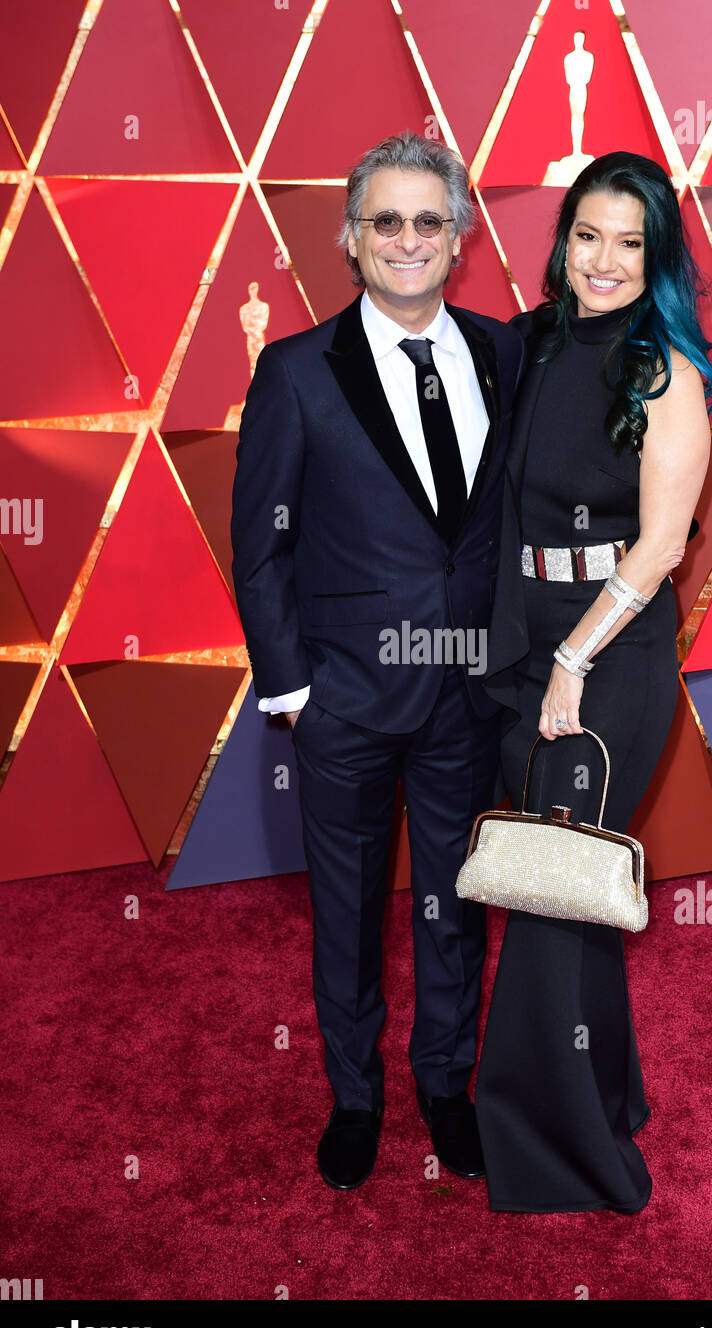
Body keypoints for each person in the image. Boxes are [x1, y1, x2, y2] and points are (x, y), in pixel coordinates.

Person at [230, 132, 523, 1191]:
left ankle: (445, 1085)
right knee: (348, 913)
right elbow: (259, 547)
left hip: (464, 692)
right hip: (344, 701)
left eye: (428, 220)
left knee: (455, 901)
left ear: (460, 237)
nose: (407, 239)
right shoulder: (296, 372)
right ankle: (355, 1098)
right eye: (384, 221)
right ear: (351, 240)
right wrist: (296, 694)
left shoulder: (503, 352)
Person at [477, 150, 712, 1213]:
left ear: (656, 255)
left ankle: (558, 1152)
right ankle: (606, 1090)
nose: (604, 260)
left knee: (543, 894)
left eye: (630, 241)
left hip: (605, 659)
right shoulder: (534, 345)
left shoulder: (661, 369)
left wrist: (571, 661)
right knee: (567, 893)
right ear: (562, 240)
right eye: (588, 235)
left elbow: (661, 544)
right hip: (521, 644)